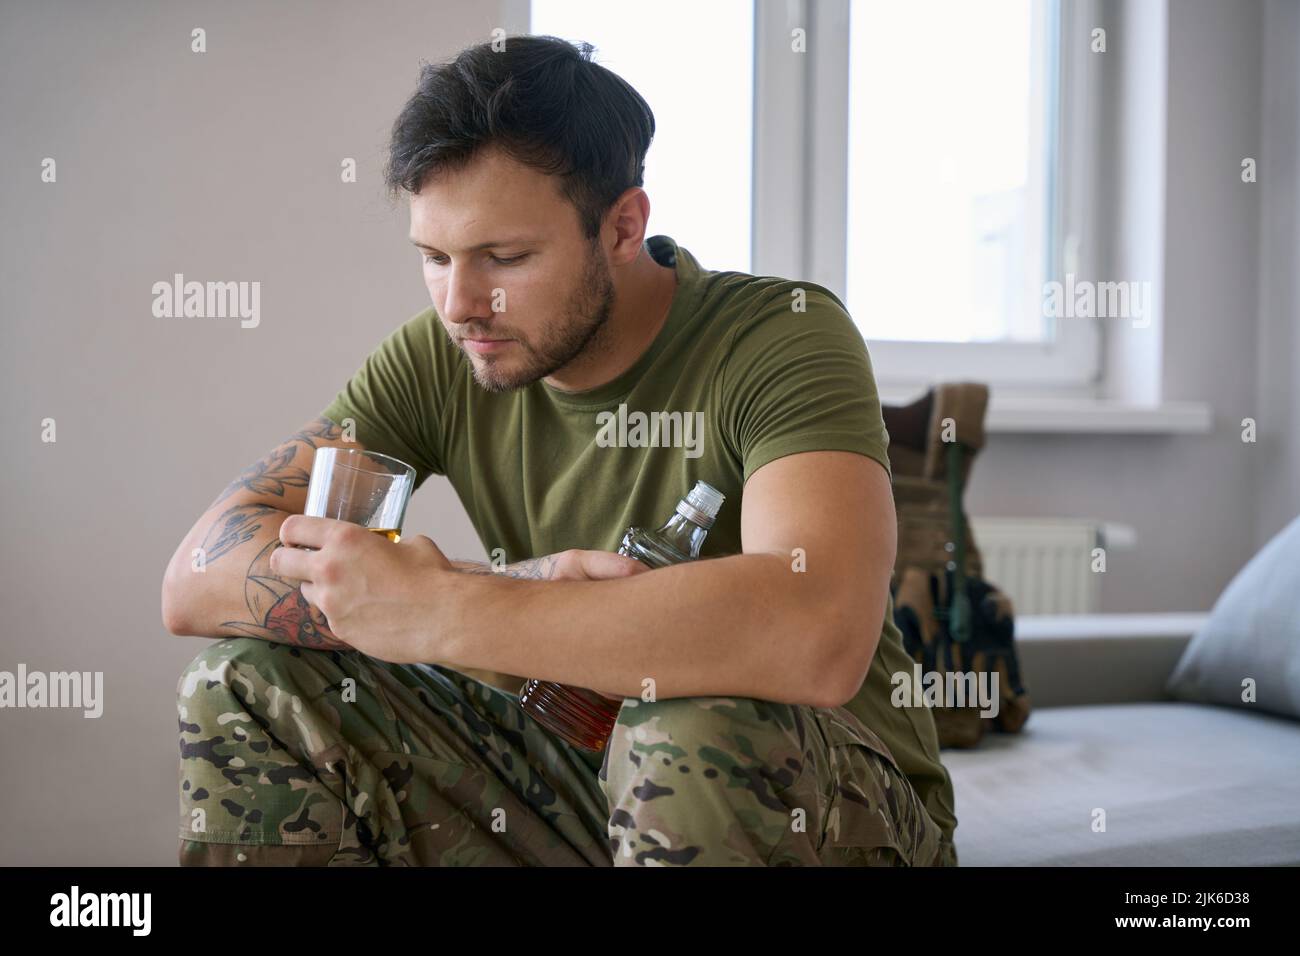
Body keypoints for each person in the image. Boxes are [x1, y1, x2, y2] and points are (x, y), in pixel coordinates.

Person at [161, 34, 958, 867]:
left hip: (824, 799)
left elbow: (816, 627)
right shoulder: (443, 357)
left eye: (505, 258)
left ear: (623, 225)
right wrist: (503, 586)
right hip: (574, 783)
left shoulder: (780, 335)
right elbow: (194, 578)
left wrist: (441, 611)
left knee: (684, 718)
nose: (461, 304)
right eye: (434, 258)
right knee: (245, 682)